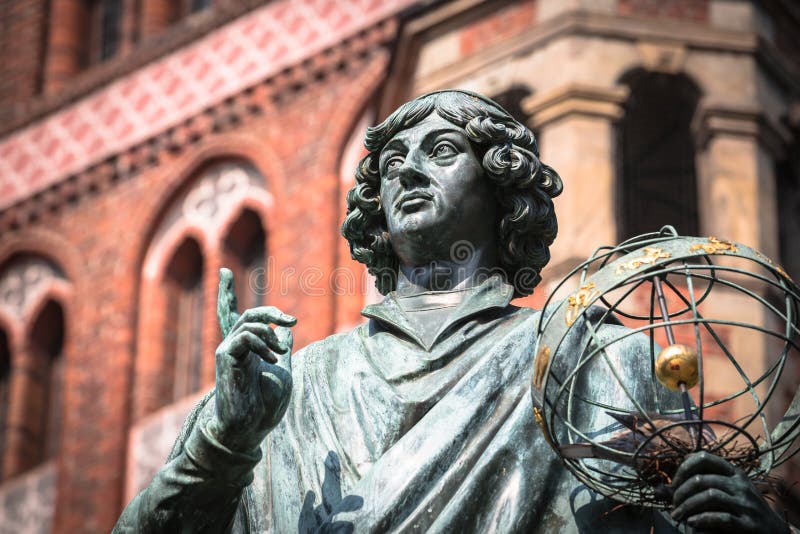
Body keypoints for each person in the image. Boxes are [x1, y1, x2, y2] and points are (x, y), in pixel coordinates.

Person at [114, 90, 793, 533]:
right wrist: (223, 443)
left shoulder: (593, 362)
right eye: (391, 165)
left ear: (502, 186)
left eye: (440, 152)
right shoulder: (282, 392)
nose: (406, 172)